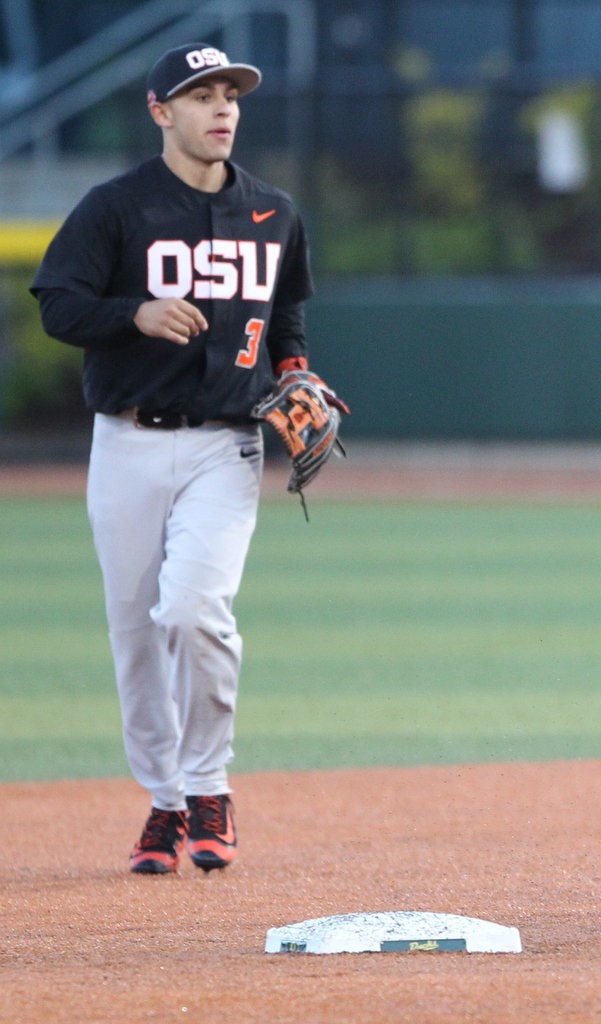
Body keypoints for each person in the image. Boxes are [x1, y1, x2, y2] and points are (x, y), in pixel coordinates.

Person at [31, 43, 346, 874]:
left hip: (225, 444)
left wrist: (295, 376)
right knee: (135, 635)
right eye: (201, 95)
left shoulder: (274, 212)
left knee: (191, 612)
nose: (222, 109)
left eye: (230, 95)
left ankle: (208, 787)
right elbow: (56, 303)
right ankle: (165, 805)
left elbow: (286, 326)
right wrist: (133, 314)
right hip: (127, 441)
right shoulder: (116, 208)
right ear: (160, 111)